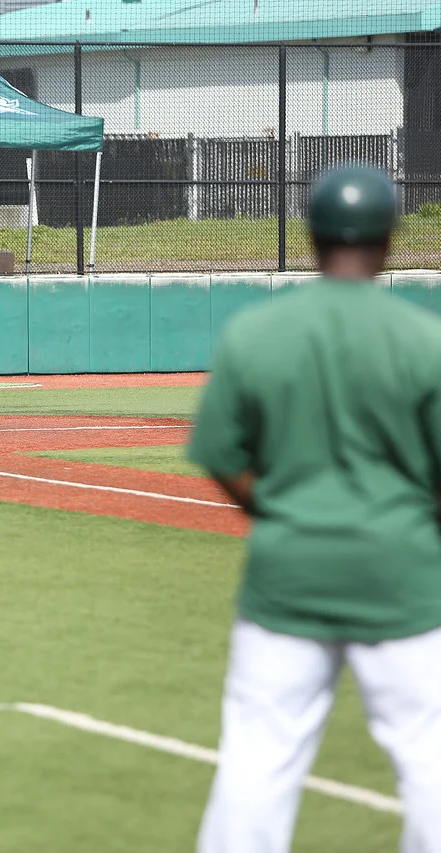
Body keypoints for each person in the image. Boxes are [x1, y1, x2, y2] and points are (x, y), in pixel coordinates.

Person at [189, 164, 441, 853]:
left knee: (258, 757)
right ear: (389, 239)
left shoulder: (256, 332)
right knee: (431, 762)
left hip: (288, 571)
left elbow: (218, 450)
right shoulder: (427, 341)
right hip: (402, 575)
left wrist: (271, 507)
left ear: (311, 237)